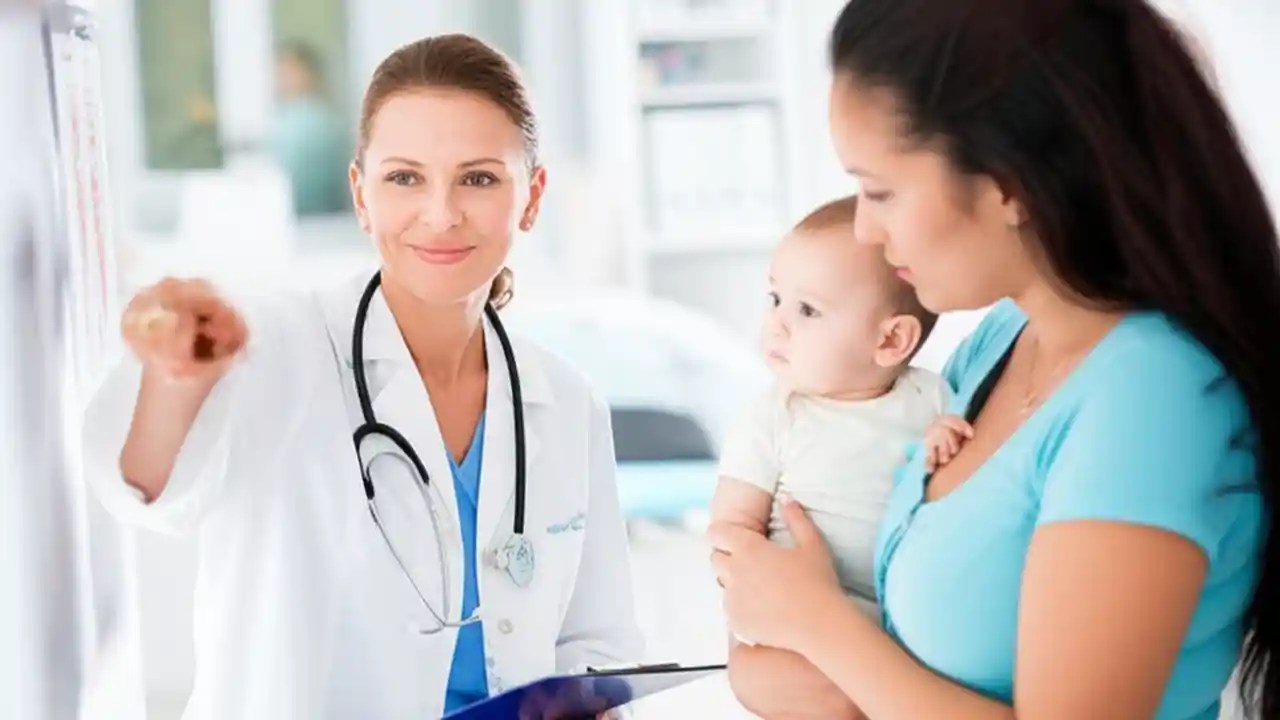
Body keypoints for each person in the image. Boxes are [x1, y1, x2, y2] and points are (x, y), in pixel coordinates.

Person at [711, 1, 1280, 719]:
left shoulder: (1152, 399)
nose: (865, 229)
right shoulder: (1001, 343)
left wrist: (817, 625)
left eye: (880, 191)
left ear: (1008, 183)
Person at [83, 34, 642, 719]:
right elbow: (147, 487)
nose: (441, 213)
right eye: (405, 178)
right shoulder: (278, 348)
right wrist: (176, 379)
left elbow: (599, 644)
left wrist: (591, 702)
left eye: (478, 178)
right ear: (360, 195)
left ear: (532, 197)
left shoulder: (568, 402)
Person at [709, 195, 943, 627]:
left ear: (890, 340)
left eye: (807, 309)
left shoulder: (932, 399)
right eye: (775, 298)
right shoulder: (771, 418)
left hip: (901, 621)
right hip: (795, 615)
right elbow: (730, 529)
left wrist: (948, 440)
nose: (776, 323)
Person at [269, 40, 350, 216]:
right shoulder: (287, 117)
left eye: (289, 72)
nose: (282, 80)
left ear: (308, 74)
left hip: (312, 217)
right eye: (281, 73)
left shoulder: (315, 121)